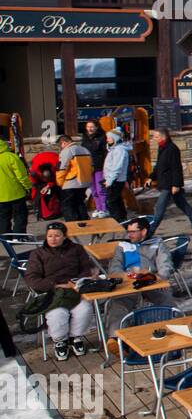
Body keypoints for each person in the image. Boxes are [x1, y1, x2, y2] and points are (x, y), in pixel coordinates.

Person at [23, 222, 97, 361]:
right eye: (50, 236)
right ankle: (60, 340)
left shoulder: (76, 249)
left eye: (57, 235)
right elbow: (31, 278)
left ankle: (75, 337)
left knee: (85, 309)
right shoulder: (38, 253)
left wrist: (78, 281)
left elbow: (87, 268)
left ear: (64, 236)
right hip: (52, 293)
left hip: (75, 289)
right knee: (57, 315)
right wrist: (55, 285)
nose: (53, 239)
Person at [147, 128, 192, 236]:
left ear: (163, 137)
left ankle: (149, 232)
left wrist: (176, 184)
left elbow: (176, 168)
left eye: (156, 137)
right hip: (165, 183)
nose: (154, 139)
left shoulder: (172, 149)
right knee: (182, 204)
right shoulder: (162, 147)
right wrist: (151, 177)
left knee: (159, 208)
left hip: (170, 184)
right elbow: (158, 166)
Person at [107, 216, 176, 281]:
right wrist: (124, 278)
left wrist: (161, 279)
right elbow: (114, 267)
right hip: (127, 282)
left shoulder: (157, 244)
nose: (129, 235)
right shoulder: (122, 245)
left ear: (143, 231)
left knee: (162, 293)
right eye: (128, 231)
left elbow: (165, 265)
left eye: (133, 232)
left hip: (151, 280)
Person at [54, 135, 93, 222]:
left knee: (67, 205)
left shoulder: (67, 151)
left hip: (71, 182)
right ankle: (84, 222)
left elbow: (62, 168)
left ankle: (72, 225)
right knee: (80, 203)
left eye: (60, 145)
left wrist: (60, 182)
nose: (61, 147)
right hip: (84, 181)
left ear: (64, 142)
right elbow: (91, 166)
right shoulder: (85, 149)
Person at [0, 138, 31, 234]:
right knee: (20, 215)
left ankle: (6, 238)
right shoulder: (11, 157)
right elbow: (21, 175)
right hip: (16, 193)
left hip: (1, 197)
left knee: (3, 218)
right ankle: (19, 236)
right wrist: (28, 187)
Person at [102, 128, 132, 223]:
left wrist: (110, 180)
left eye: (109, 138)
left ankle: (118, 220)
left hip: (116, 180)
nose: (107, 140)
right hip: (114, 179)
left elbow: (117, 167)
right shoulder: (114, 149)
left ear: (115, 138)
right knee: (116, 200)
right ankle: (122, 219)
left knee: (111, 201)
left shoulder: (119, 150)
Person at [81, 119, 108, 215]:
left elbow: (104, 152)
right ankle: (98, 207)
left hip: (99, 165)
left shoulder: (102, 137)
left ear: (96, 127)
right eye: (88, 127)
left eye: (92, 127)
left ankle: (104, 209)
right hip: (88, 166)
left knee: (100, 188)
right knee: (93, 189)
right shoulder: (84, 137)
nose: (90, 129)